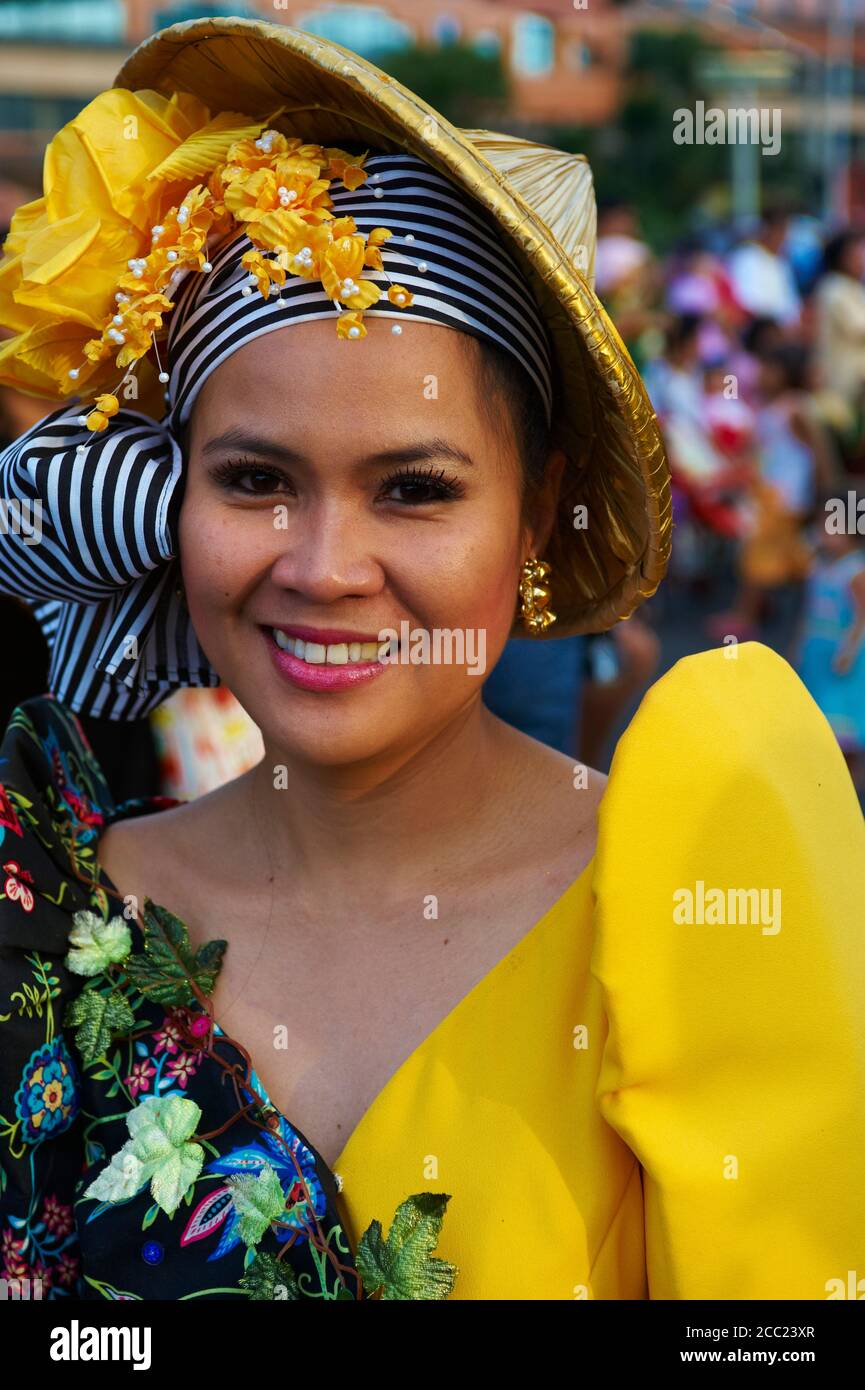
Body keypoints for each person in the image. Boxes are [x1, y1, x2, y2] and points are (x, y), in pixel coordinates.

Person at [0, 17, 862, 1303]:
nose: (324, 566)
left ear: (534, 509)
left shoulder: (694, 877)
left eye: (412, 489)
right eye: (254, 480)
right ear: (164, 497)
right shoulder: (48, 907)